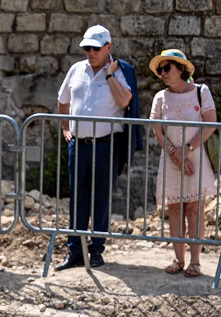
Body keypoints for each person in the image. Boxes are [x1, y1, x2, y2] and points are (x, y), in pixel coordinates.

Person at [56, 25, 135, 271]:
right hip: (78, 144)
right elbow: (63, 100)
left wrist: (110, 75)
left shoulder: (121, 71)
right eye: (87, 48)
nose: (90, 52)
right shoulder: (76, 69)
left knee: (101, 198)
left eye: (95, 48)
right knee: (77, 198)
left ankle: (97, 249)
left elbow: (124, 100)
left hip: (106, 144)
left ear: (109, 48)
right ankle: (75, 250)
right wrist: (65, 129)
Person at [149, 48, 217, 279]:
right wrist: (175, 155)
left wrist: (186, 152)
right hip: (170, 159)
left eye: (167, 68)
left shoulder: (201, 91)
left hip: (195, 157)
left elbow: (210, 124)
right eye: (160, 70)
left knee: (195, 209)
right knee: (175, 209)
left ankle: (195, 262)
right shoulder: (160, 97)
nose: (163, 73)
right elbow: (157, 130)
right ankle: (179, 259)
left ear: (181, 68)